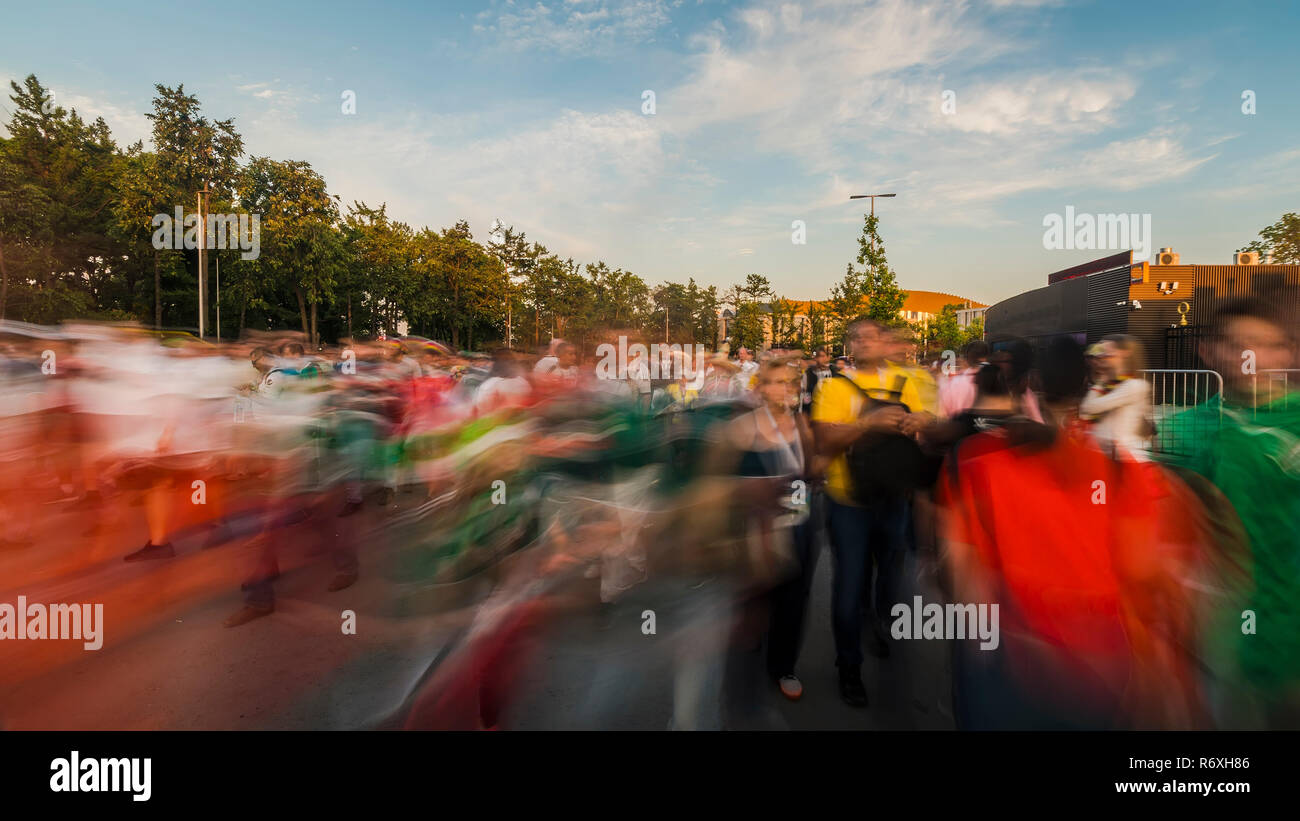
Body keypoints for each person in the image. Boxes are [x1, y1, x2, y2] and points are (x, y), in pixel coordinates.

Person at [811, 318, 932, 707]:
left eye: (870, 336)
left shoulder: (909, 382)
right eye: (855, 337)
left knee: (892, 579)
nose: (862, 342)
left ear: (883, 342)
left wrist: (921, 421)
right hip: (848, 503)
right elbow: (825, 439)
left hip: (894, 500)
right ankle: (849, 666)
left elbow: (934, 426)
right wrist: (867, 423)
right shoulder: (833, 386)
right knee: (848, 587)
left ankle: (880, 623)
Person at [1079, 334, 1152, 460]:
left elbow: (1089, 407)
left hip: (1124, 459)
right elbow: (1085, 413)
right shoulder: (1108, 384)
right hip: (1105, 455)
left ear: (1125, 353)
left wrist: (1101, 381)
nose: (1102, 356)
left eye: (1108, 351)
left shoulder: (1134, 386)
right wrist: (1102, 380)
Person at [801, 348, 832, 415]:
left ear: (829, 357)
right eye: (820, 356)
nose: (822, 359)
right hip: (814, 412)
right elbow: (804, 394)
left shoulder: (835, 372)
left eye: (824, 356)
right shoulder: (809, 374)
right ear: (816, 358)